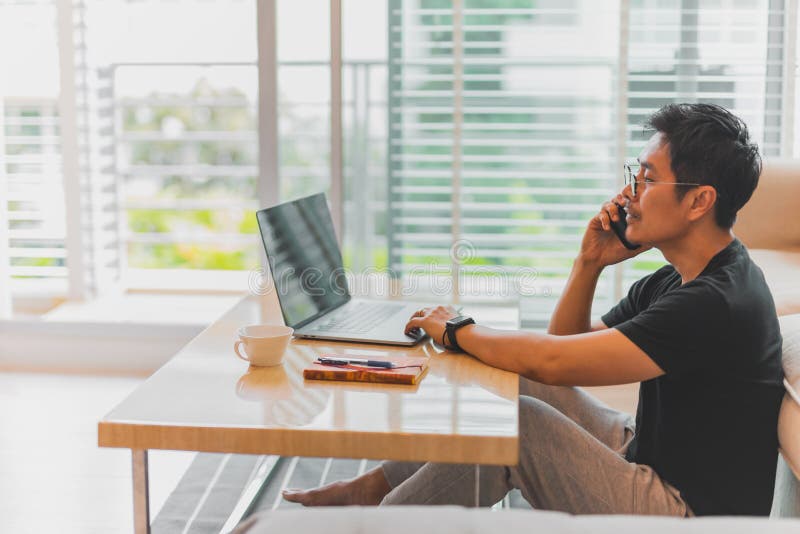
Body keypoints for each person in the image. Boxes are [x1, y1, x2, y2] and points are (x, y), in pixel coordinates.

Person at [283, 103, 785, 516]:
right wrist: (589, 262)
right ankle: (374, 489)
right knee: (519, 380)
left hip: (686, 511)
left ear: (699, 201)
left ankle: (378, 525)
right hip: (652, 451)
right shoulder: (682, 276)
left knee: (523, 426)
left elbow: (554, 359)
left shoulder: (714, 301)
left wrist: (459, 330)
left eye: (648, 179)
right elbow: (563, 351)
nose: (630, 194)